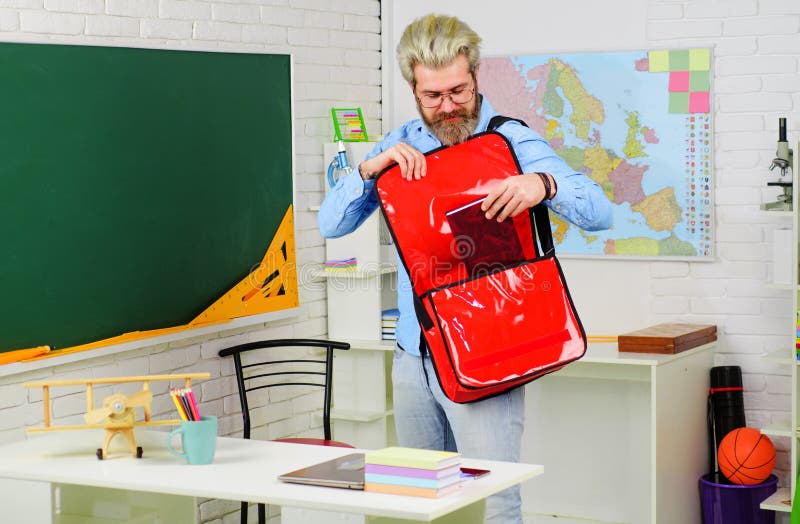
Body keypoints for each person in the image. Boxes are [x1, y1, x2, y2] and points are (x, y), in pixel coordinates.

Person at [319, 13, 612, 524]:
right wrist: (370, 167)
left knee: (494, 501)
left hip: (488, 351)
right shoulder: (399, 144)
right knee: (420, 500)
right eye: (432, 96)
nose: (448, 107)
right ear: (413, 89)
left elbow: (600, 212)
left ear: (475, 76)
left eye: (458, 91)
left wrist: (542, 185)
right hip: (413, 354)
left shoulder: (511, 140)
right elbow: (331, 224)